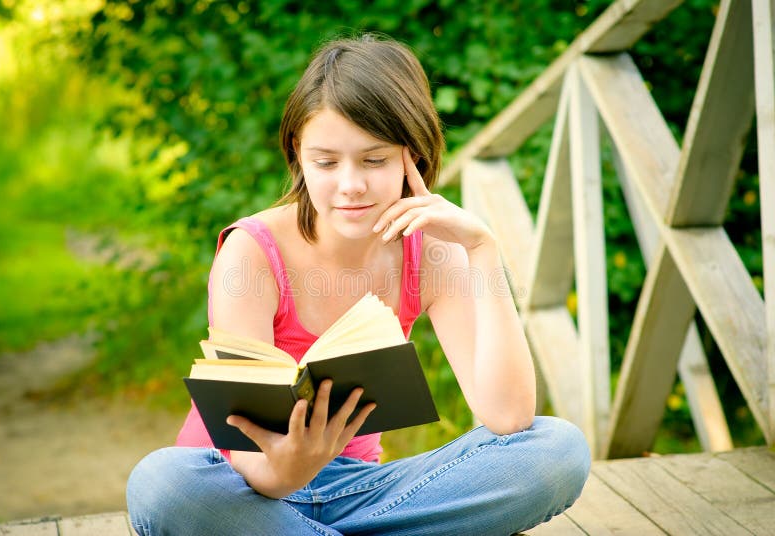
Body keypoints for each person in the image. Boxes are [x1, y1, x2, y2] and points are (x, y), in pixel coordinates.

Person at [126, 34, 590, 535]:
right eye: (326, 162)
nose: (350, 185)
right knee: (160, 482)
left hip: (362, 494)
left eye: (374, 160)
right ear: (298, 157)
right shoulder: (253, 251)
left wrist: (483, 251)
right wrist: (290, 465)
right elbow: (253, 463)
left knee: (557, 450)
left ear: (413, 156)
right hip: (238, 489)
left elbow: (508, 417)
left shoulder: (432, 253)